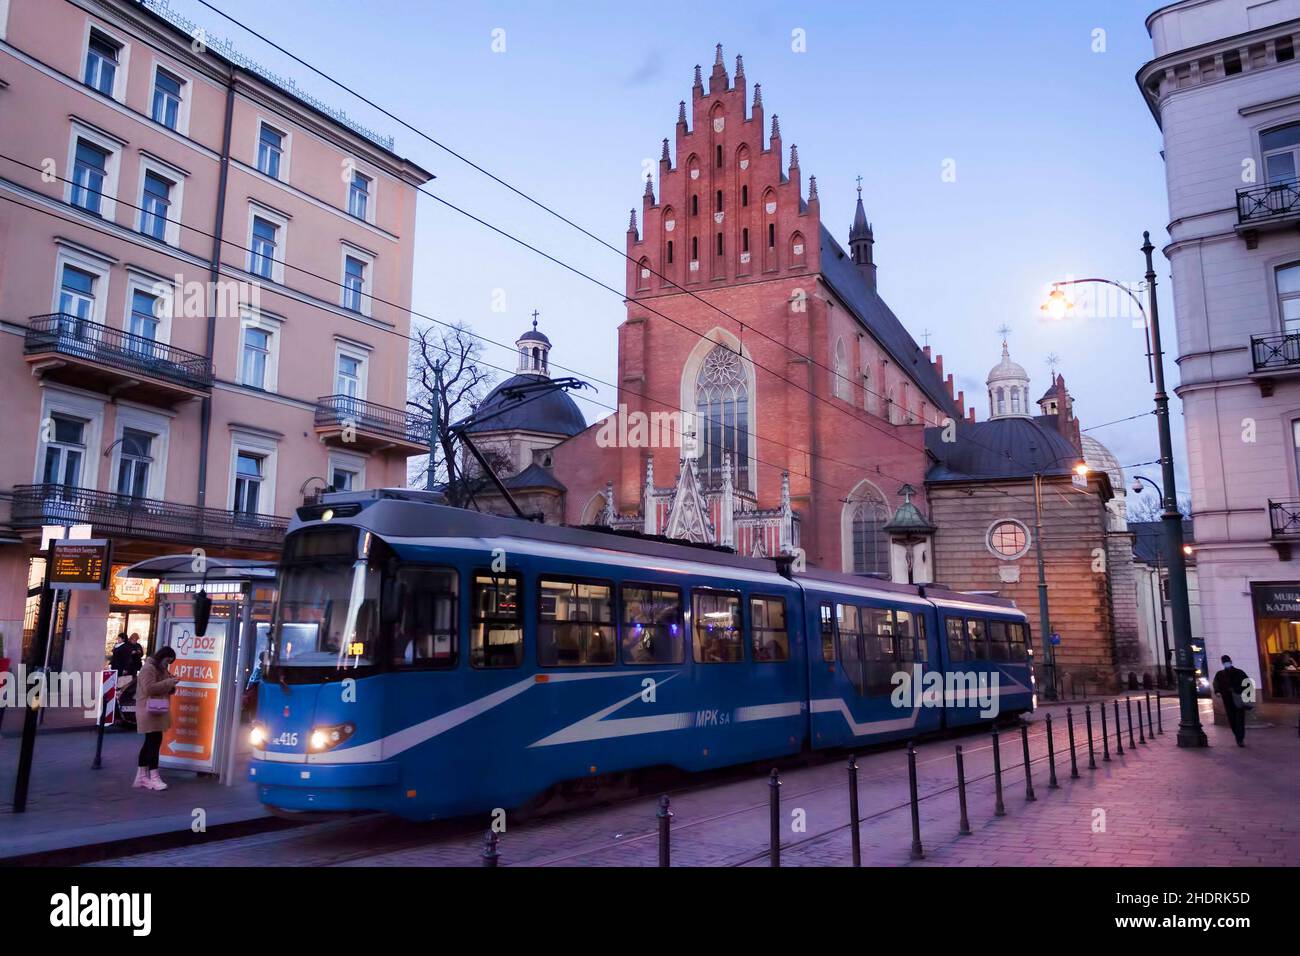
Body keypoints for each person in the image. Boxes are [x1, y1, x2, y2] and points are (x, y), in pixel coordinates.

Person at [134, 646, 178, 790]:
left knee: (150, 742)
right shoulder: (149, 668)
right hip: (148, 710)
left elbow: (162, 686)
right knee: (153, 742)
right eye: (167, 661)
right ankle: (153, 777)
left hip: (156, 709)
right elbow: (149, 688)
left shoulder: (160, 669)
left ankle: (141, 777)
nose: (168, 664)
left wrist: (171, 684)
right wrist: (169, 683)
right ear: (162, 657)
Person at [1211, 654, 1251, 748]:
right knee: (1232, 719)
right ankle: (1238, 736)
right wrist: (1217, 691)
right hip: (1228, 699)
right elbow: (1216, 683)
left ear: (1231, 662)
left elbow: (1247, 684)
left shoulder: (1239, 672)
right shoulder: (1220, 674)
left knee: (1239, 719)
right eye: (1225, 662)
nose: (1226, 664)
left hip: (1238, 699)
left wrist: (1241, 692)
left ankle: (1240, 739)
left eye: (1227, 662)